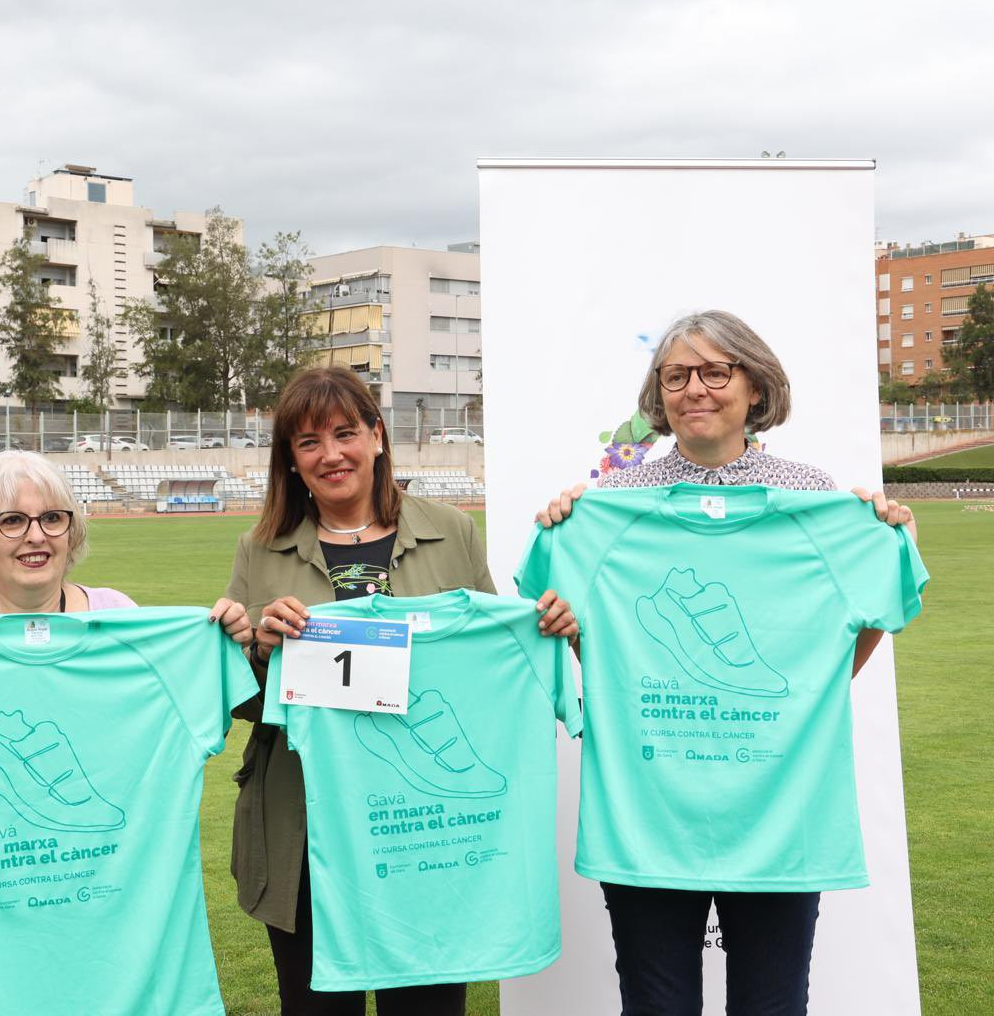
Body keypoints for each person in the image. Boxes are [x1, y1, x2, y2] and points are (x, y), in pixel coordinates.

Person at [534, 310, 917, 1015]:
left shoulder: (814, 497)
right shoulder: (610, 506)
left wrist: (808, 689)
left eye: (715, 371)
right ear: (658, 392)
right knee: (657, 1006)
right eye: (676, 375)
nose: (694, 389)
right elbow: (596, 647)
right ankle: (684, 610)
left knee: (773, 1005)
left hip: (779, 807)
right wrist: (573, 609)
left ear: (755, 385)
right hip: (650, 810)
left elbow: (867, 617)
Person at [228, 366, 577, 1016]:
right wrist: (260, 653)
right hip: (304, 822)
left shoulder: (452, 530)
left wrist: (545, 628)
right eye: (309, 442)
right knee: (315, 1008)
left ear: (378, 436)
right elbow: (237, 704)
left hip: (423, 826)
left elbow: (489, 662)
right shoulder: (261, 549)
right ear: (291, 461)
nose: (331, 454)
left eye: (345, 433)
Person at [0, 449, 251, 803]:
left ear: (71, 532)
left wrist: (218, 642)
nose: (36, 535)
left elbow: (190, 731)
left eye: (52, 518)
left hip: (111, 870)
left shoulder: (121, 617)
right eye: (12, 521)